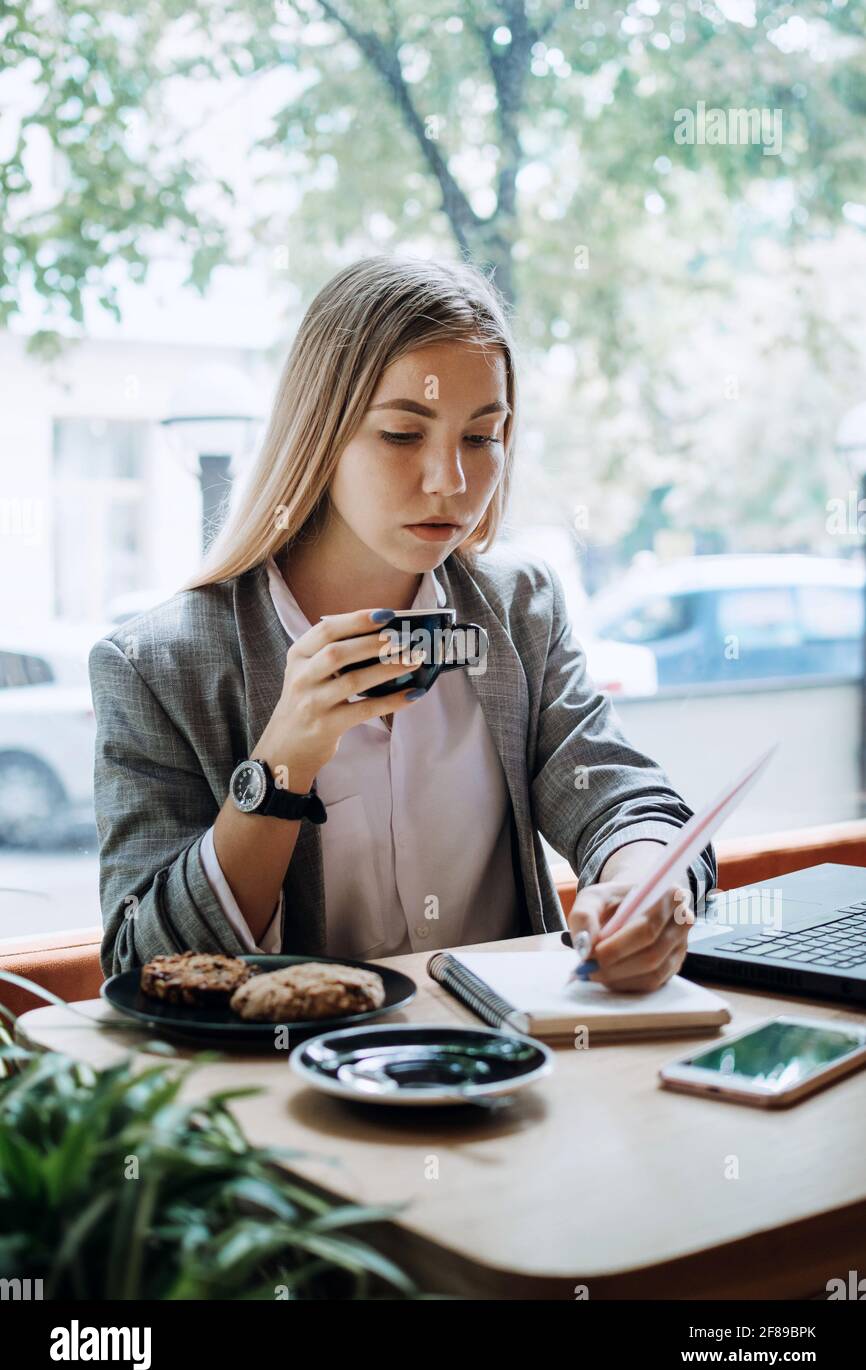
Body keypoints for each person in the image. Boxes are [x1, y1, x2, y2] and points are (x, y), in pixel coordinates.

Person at [90, 254, 715, 987]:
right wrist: (283, 763)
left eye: (481, 438)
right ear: (320, 435)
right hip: (288, 1090)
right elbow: (142, 963)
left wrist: (645, 886)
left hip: (513, 1074)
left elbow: (619, 794)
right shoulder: (158, 666)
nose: (450, 481)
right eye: (401, 434)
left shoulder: (519, 609)